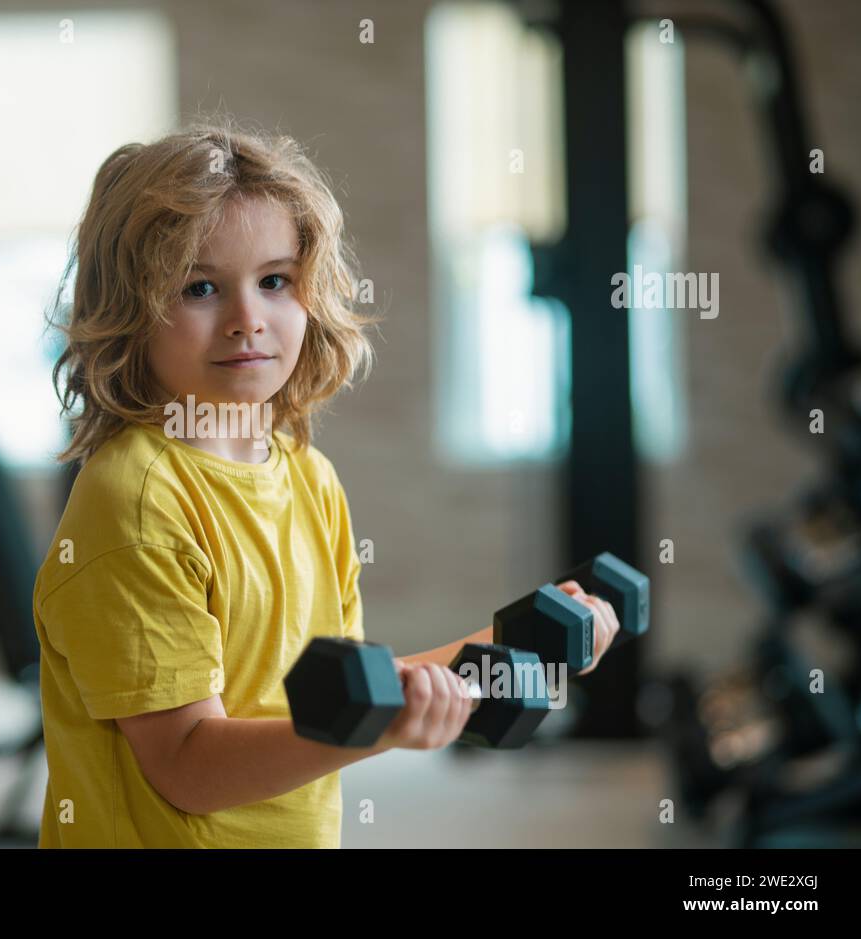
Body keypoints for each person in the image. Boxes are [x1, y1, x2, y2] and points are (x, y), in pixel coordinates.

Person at [33, 118, 618, 848]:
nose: (248, 320)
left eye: (275, 280)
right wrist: (382, 728)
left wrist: (517, 645)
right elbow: (187, 767)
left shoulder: (307, 476)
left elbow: (343, 690)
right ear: (129, 309)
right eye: (200, 286)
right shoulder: (138, 501)